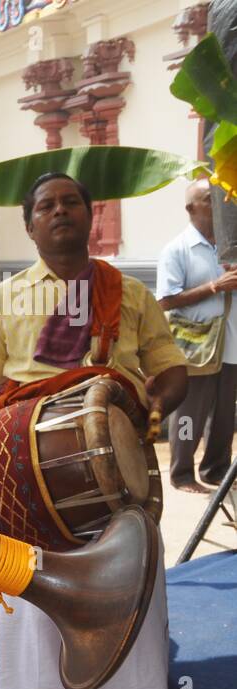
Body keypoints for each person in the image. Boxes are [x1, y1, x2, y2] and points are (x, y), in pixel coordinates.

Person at [0, 172, 188, 689]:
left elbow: (172, 370)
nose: (59, 211)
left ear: (91, 215)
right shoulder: (5, 298)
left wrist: (152, 407)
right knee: (26, 584)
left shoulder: (130, 294)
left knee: (129, 575)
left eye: (70, 202)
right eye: (46, 205)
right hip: (24, 463)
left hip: (115, 457)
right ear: (30, 225)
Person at [157, 178, 237, 493]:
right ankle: (182, 474)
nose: (220, 202)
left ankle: (216, 470)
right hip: (197, 346)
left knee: (224, 415)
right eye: (210, 197)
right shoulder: (178, 249)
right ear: (191, 208)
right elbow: (166, 299)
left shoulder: (230, 244)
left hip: (231, 343)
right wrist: (215, 287)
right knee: (189, 414)